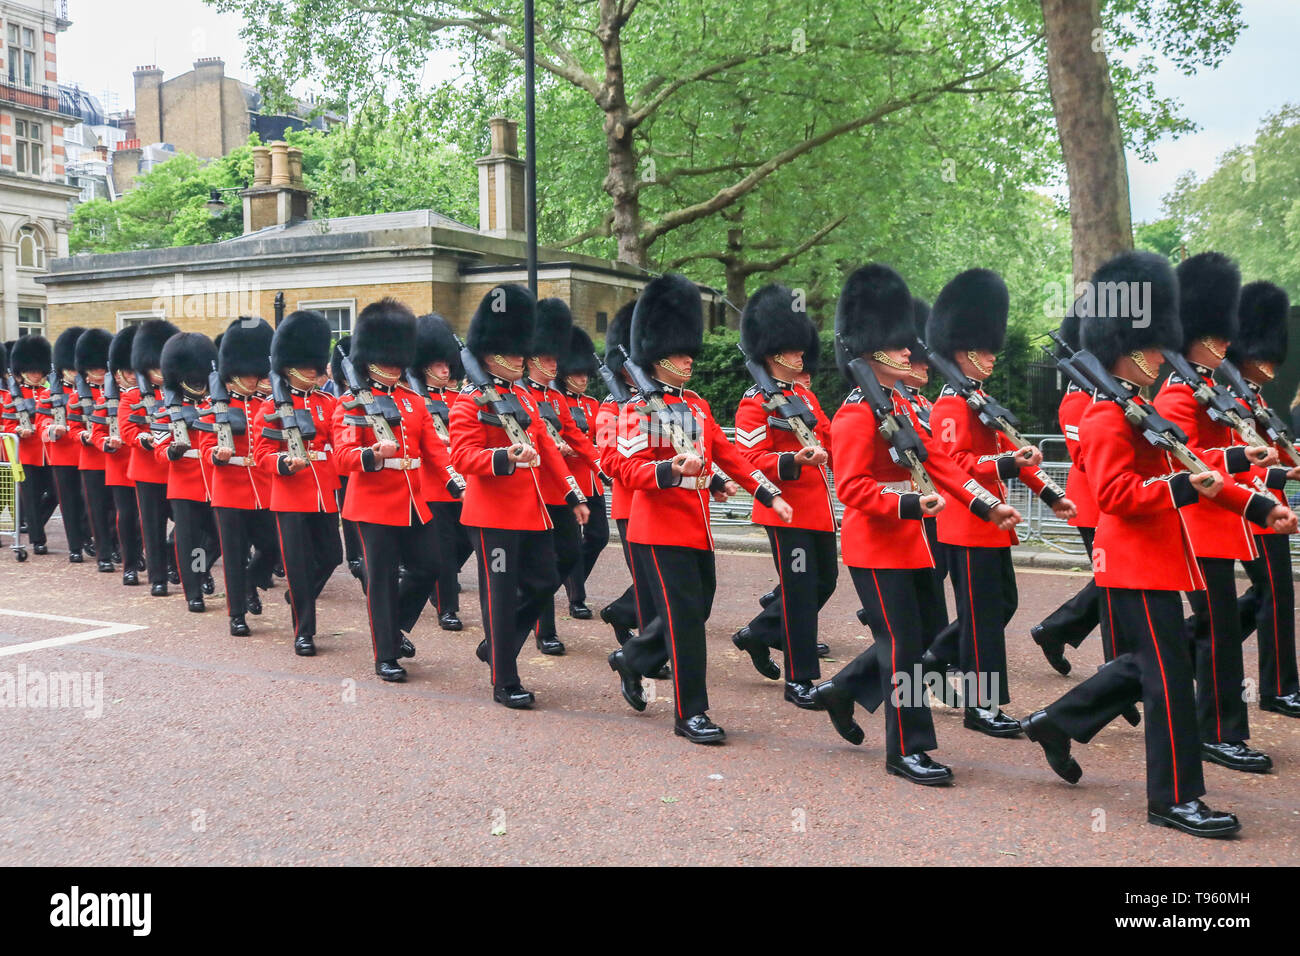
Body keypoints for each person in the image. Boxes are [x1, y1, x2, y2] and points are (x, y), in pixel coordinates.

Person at [1021, 250, 1294, 838]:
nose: (1160, 355)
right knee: (1168, 682)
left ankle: (1058, 721)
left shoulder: (1137, 406)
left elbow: (1195, 465)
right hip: (1134, 561)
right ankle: (1173, 799)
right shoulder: (1102, 414)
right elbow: (1119, 494)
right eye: (1151, 346)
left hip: (1167, 559)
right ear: (1129, 346)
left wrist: (1258, 500)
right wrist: (1182, 485)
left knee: (1151, 666)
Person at [808, 264, 1020, 784]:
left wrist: (983, 504)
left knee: (919, 642)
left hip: (915, 546)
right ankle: (907, 749)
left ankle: (846, 690)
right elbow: (852, 487)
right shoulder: (856, 415)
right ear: (874, 349)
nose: (911, 352)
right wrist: (906, 504)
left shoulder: (907, 406)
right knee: (902, 647)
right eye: (901, 345)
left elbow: (944, 463)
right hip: (876, 547)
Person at [605, 273, 794, 744]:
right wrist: (671, 468)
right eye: (682, 353)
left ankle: (631, 658)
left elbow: (731, 457)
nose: (690, 360)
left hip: (695, 530)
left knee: (693, 612)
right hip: (656, 530)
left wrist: (767, 492)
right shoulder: (636, 410)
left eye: (690, 352)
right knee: (686, 624)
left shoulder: (699, 406)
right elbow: (626, 472)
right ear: (659, 355)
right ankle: (691, 714)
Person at [1153, 251, 1291, 773]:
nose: (1227, 345)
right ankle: (1219, 732)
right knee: (1217, 634)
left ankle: (1074, 714)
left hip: (1225, 523)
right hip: (1195, 526)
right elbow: (1182, 460)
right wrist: (1243, 463)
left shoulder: (1210, 389)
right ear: (1196, 336)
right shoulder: (1176, 395)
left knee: (1218, 632)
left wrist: (1263, 488)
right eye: (1217, 337)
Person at [924, 269, 1077, 737]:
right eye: (983, 351)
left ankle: (932, 659)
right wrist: (1008, 464)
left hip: (994, 522)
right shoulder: (950, 405)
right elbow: (955, 465)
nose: (991, 357)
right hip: (967, 521)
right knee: (983, 616)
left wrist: (1051, 493)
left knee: (1000, 605)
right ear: (962, 352)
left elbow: (1012, 452)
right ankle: (981, 706)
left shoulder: (979, 399)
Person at [450, 284, 576, 708]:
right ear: (490, 354)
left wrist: (572, 493)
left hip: (532, 511)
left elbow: (547, 452)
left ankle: (496, 646)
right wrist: (504, 456)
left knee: (543, 582)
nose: (522, 358)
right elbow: (464, 457)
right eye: (513, 351)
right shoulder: (468, 401)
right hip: (491, 515)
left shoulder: (522, 395)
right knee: (499, 597)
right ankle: (505, 679)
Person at [333, 298, 453, 682]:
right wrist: (370, 454)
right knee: (381, 579)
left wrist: (456, 480)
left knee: (430, 566)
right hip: (372, 505)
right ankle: (385, 653)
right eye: (388, 360)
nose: (395, 366)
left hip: (414, 503)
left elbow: (435, 450)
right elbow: (342, 455)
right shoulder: (352, 403)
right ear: (369, 360)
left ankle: (395, 625)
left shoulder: (414, 402)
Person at [730, 283, 836, 709]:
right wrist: (794, 460)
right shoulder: (754, 404)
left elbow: (830, 437)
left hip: (818, 508)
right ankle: (800, 677)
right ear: (774, 354)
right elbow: (748, 457)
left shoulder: (804, 396)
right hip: (784, 509)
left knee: (823, 583)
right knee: (799, 591)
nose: (801, 357)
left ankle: (757, 634)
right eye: (793, 351)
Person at [1227, 281, 1300, 718]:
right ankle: (1276, 688)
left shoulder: (1252, 397)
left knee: (1272, 596)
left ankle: (1194, 640)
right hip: (1253, 509)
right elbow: (1232, 463)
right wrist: (1279, 474)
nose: (1269, 365)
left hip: (1267, 503)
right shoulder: (1230, 400)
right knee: (1275, 596)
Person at [1029, 302, 1114, 671]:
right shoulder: (1077, 400)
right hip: (1093, 504)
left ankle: (1055, 630)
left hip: (1115, 501)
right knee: (1113, 582)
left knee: (1114, 583)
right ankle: (1115, 665)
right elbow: (1085, 457)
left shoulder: (1107, 394)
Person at [253, 310, 343, 657]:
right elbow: (262, 452)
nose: (315, 372)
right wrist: (282, 463)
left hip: (323, 492)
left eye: (316, 366)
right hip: (290, 493)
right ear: (290, 367)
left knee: (333, 556)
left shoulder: (327, 402)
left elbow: (340, 438)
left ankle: (299, 594)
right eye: (308, 366)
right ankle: (303, 631)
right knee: (298, 566)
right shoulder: (271, 407)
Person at [518, 298, 596, 655]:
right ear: (533, 359)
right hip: (533, 490)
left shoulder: (556, 396)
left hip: (561, 489)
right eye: (549, 359)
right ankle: (543, 629)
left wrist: (601, 462)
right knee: (544, 565)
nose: (555, 365)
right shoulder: (520, 395)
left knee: (567, 554)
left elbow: (576, 436)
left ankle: (529, 611)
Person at [198, 317, 279, 636]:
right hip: (229, 489)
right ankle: (237, 613)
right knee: (232, 554)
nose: (255, 378)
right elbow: (205, 444)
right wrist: (216, 455)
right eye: (249, 373)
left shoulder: (265, 404)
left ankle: (250, 580)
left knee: (273, 546)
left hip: (262, 487)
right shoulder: (214, 407)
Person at [406, 312, 474, 632]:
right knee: (444, 548)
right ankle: (448, 607)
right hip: (432, 485)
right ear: (424, 365)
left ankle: (438, 585)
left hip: (460, 481)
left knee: (467, 542)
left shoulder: (457, 397)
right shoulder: (415, 399)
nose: (445, 369)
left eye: (447, 364)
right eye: (438, 364)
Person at [154, 332, 221, 613]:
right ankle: (193, 592)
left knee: (218, 538)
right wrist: (171, 452)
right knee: (189, 538)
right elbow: (159, 449)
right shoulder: (168, 408)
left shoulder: (216, 402)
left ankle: (200, 567)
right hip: (184, 482)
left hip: (216, 479)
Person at [556, 325, 611, 621]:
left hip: (593, 480)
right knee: (571, 542)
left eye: (585, 374)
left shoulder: (593, 404)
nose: (583, 379)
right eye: (577, 374)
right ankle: (577, 597)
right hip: (568, 479)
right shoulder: (556, 403)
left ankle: (570, 579)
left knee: (599, 536)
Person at [126, 319, 181, 596]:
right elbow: (128, 429)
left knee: (187, 525)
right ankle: (158, 577)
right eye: (155, 367)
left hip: (177, 470)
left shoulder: (182, 392)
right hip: (148, 470)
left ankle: (177, 560)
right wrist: (143, 439)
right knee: (152, 527)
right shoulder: (132, 395)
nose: (160, 372)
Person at [40, 327, 92, 561]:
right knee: (68, 502)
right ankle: (74, 546)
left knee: (88, 500)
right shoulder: (51, 393)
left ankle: (88, 538)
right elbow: (42, 421)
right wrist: (52, 429)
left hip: (87, 451)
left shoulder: (91, 391)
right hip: (62, 454)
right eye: (69, 368)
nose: (73, 373)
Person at [97, 326, 144, 586]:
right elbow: (95, 431)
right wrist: (107, 442)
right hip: (118, 462)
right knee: (126, 516)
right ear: (118, 373)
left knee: (147, 518)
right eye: (129, 372)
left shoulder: (150, 397)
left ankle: (146, 556)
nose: (134, 376)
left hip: (146, 462)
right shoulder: (107, 399)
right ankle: (130, 564)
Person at [4, 335, 58, 555]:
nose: (36, 375)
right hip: (26, 453)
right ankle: (38, 539)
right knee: (31, 497)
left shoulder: (49, 393)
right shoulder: (12, 396)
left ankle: (33, 524)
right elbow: (7, 425)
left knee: (55, 493)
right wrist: (19, 430)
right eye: (32, 371)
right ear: (23, 371)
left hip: (49, 453)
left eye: (39, 371)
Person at [74, 329, 118, 574]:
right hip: (91, 460)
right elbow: (74, 426)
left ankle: (116, 546)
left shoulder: (120, 393)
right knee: (97, 509)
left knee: (118, 510)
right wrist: (82, 435)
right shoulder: (77, 396)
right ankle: (103, 554)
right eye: (95, 369)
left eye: (102, 368)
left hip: (117, 459)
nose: (100, 373)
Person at [329, 335, 366, 589]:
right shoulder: (338, 400)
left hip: (368, 465)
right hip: (345, 467)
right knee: (351, 518)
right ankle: (356, 560)